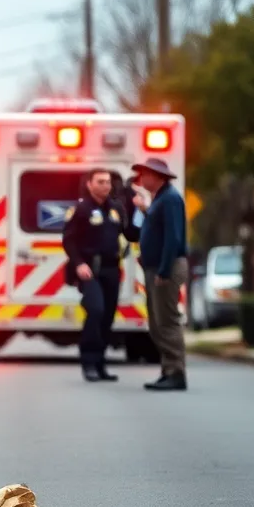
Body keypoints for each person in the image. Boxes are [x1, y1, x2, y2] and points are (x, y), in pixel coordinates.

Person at [62, 168, 134, 382]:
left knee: (107, 318)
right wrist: (79, 264)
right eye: (100, 182)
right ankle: (89, 362)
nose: (105, 186)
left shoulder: (116, 209)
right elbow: (69, 240)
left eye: (108, 182)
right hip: (90, 270)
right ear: (90, 185)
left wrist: (141, 210)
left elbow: (129, 234)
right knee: (95, 310)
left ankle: (101, 365)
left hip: (112, 270)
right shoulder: (81, 209)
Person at [131, 157, 189, 391]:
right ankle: (167, 371)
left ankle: (176, 373)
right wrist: (146, 211)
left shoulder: (170, 199)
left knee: (166, 322)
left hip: (167, 267)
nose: (142, 179)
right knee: (156, 324)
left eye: (145, 174)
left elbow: (173, 238)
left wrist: (164, 269)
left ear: (157, 176)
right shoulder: (160, 199)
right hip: (155, 267)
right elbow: (157, 229)